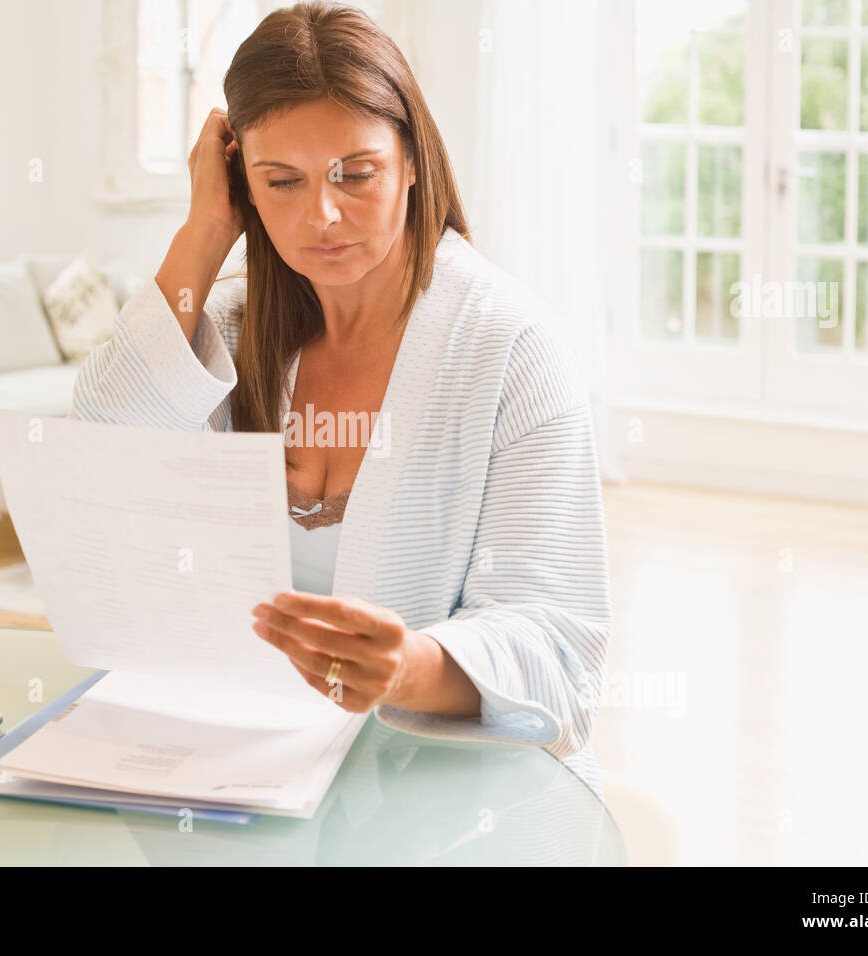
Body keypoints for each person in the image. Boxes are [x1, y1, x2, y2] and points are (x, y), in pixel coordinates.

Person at [70, 0, 612, 801]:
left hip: (449, 805)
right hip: (243, 780)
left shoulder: (513, 349)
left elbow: (559, 647)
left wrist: (406, 668)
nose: (319, 215)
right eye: (279, 181)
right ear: (238, 183)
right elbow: (105, 443)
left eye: (354, 175)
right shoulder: (224, 325)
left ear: (413, 159)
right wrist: (201, 233)